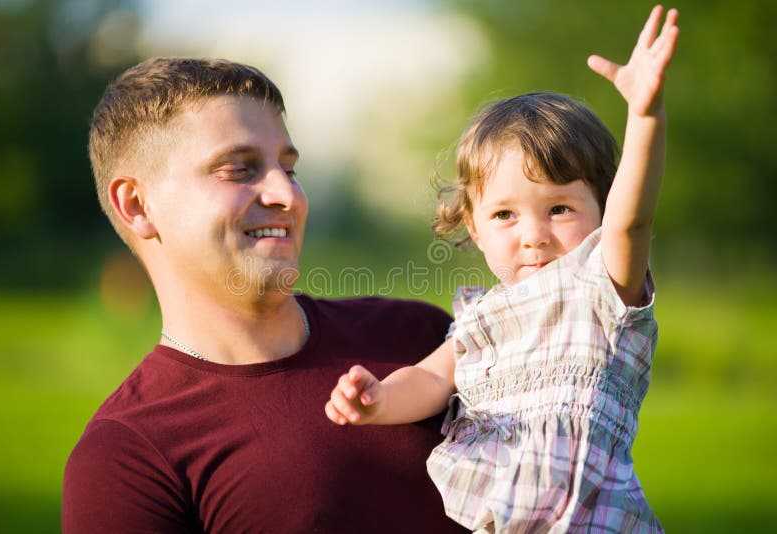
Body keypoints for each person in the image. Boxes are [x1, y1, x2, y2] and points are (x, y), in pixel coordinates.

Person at [62, 57, 466, 532]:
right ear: (137, 205)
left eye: (289, 169)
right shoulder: (127, 456)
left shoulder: (420, 339)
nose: (288, 195)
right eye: (239, 169)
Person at [326, 5, 679, 532]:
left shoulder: (600, 287)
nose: (533, 234)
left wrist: (645, 116)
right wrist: (377, 401)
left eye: (559, 208)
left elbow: (634, 221)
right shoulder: (481, 317)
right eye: (505, 215)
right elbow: (428, 377)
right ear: (475, 227)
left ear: (602, 209)